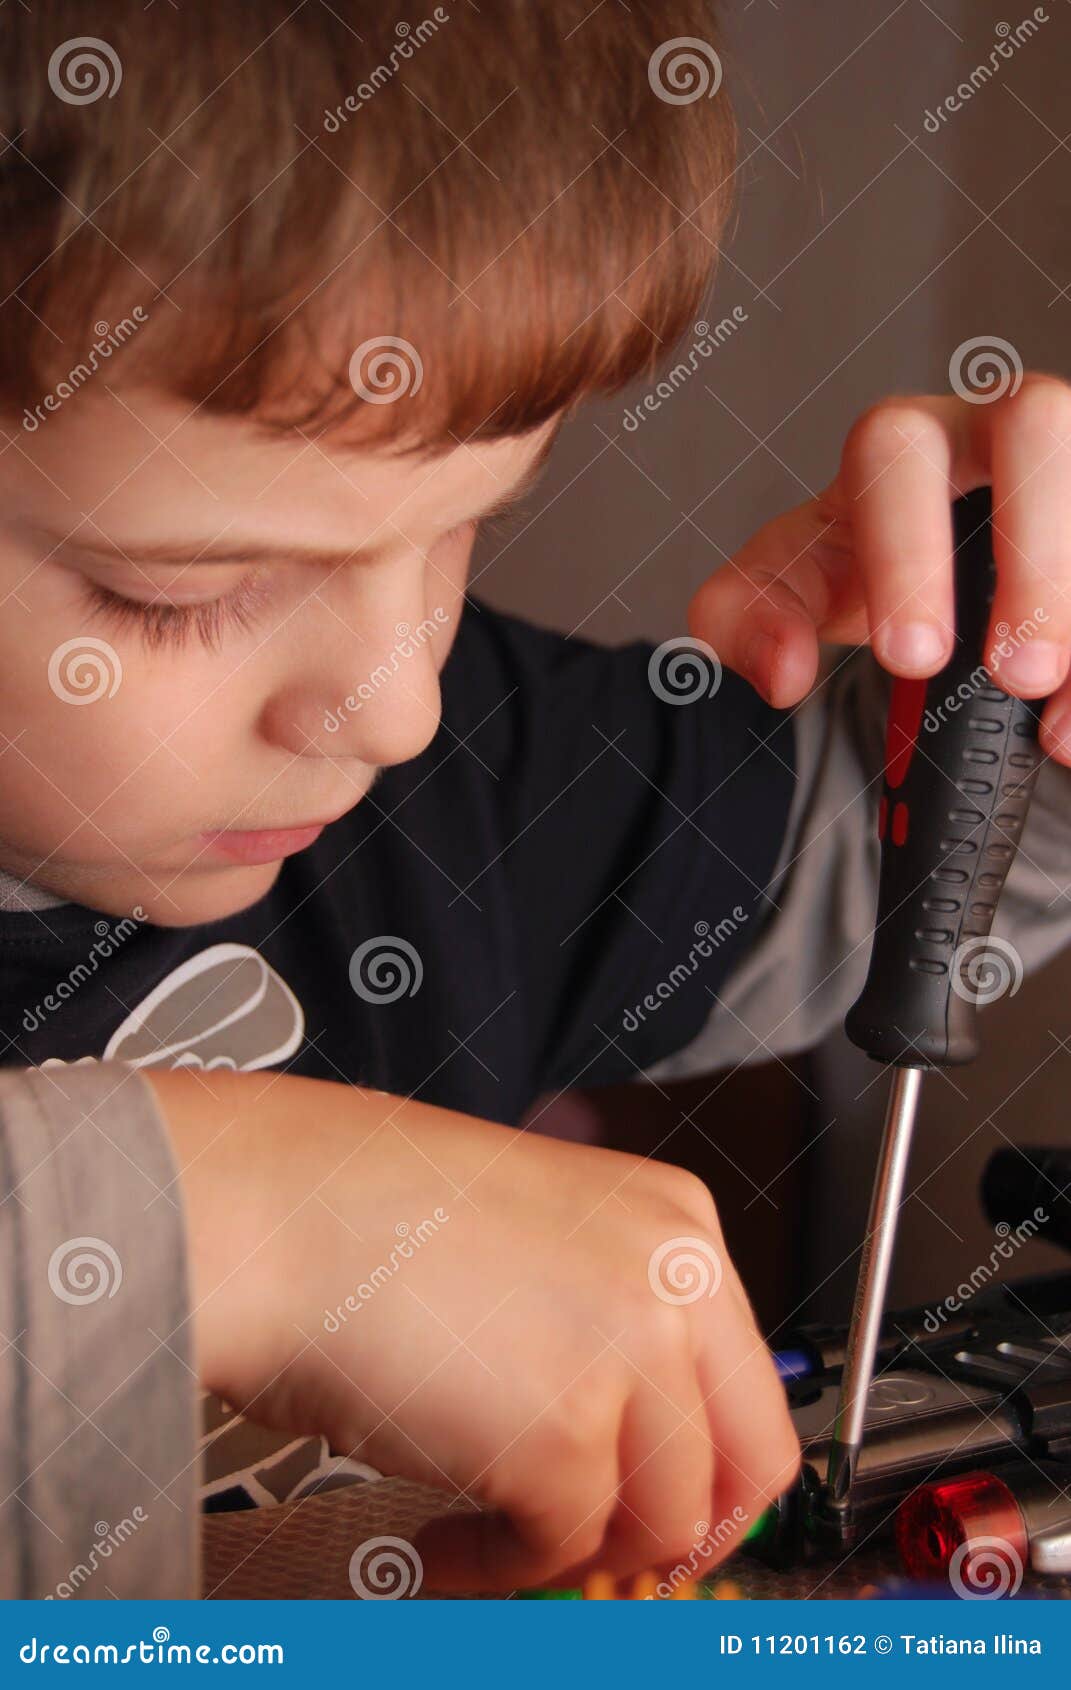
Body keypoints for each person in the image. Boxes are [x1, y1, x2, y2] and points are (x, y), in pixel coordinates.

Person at [2, 1, 1070, 1600]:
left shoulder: (467, 771)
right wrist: (222, 1223)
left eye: (458, 528)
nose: (393, 701)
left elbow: (888, 868)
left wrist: (1022, 675)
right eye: (181, 592)